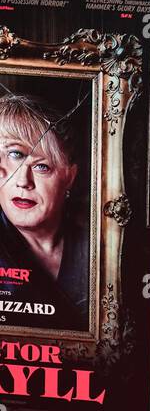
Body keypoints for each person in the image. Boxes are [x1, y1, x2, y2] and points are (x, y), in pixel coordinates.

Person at [0, 92, 89, 330]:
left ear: (69, 177)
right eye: (15, 157)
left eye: (41, 166)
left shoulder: (97, 248)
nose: (23, 181)